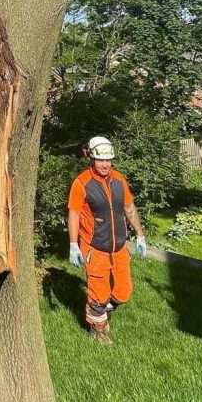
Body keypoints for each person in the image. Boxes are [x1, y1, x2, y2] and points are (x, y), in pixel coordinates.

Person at [67, 135, 146, 344]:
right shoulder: (81, 183)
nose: (105, 165)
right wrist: (73, 244)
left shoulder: (119, 179)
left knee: (123, 292)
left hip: (119, 247)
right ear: (92, 159)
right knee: (98, 292)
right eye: (101, 160)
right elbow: (74, 213)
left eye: (109, 160)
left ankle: (103, 310)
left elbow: (129, 208)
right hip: (95, 247)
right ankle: (98, 330)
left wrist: (140, 234)